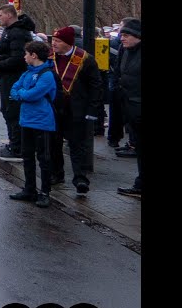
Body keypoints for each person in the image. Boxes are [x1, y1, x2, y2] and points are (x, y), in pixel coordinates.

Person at [48, 26, 101, 194]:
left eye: (58, 41)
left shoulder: (85, 59)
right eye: (53, 40)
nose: (53, 44)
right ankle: (57, 173)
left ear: (68, 43)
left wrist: (93, 109)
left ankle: (80, 178)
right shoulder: (50, 58)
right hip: (55, 108)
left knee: (77, 145)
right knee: (54, 143)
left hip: (77, 109)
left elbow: (95, 86)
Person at [8, 40, 57, 208]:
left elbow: (32, 95)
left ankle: (45, 192)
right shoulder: (27, 73)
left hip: (42, 122)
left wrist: (21, 94)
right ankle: (29, 189)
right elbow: (14, 88)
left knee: (44, 158)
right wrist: (22, 93)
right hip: (26, 119)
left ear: (34, 55)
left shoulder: (47, 75)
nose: (24, 57)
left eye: (26, 54)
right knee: (27, 156)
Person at [0, 5, 37, 158]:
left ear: (9, 15)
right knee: (8, 110)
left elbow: (17, 59)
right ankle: (14, 143)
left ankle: (17, 148)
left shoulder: (16, 32)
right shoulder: (11, 32)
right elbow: (9, 51)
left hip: (13, 77)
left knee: (12, 111)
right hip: (8, 76)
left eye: (0, 15)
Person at [114, 19, 142, 198]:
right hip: (130, 106)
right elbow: (119, 72)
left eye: (125, 35)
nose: (121, 38)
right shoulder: (125, 51)